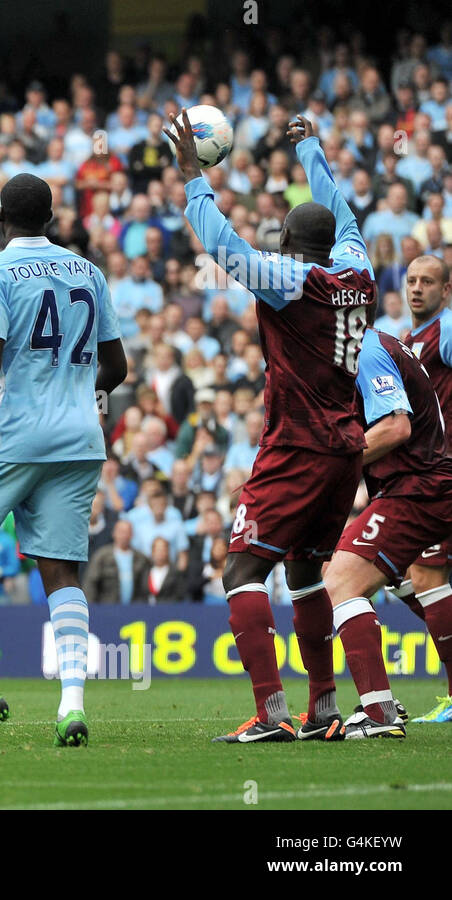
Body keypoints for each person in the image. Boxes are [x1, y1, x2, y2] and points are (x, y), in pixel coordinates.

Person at [166, 113, 376, 743]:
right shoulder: (358, 271)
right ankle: (323, 708)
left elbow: (225, 250)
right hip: (346, 450)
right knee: (307, 574)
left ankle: (271, 713)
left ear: (287, 242)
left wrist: (193, 180)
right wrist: (310, 148)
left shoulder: (291, 281)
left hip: (296, 447)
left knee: (241, 571)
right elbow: (345, 215)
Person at [0, 173, 127, 747]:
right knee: (60, 570)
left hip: (11, 437)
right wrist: (78, 394)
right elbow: (118, 368)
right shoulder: (89, 272)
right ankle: (70, 706)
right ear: (53, 218)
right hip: (80, 440)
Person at [322, 327, 452, 737]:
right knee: (416, 582)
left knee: (342, 582)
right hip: (426, 483)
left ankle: (378, 713)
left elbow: (396, 428)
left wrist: (329, 467)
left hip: (418, 487)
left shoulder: (367, 351)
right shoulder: (388, 342)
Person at [394, 254, 452, 724]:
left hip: (443, 477)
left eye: (428, 281)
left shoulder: (447, 330)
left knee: (427, 578)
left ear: (446, 291)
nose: (417, 288)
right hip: (423, 478)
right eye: (412, 280)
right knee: (401, 576)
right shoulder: (408, 338)